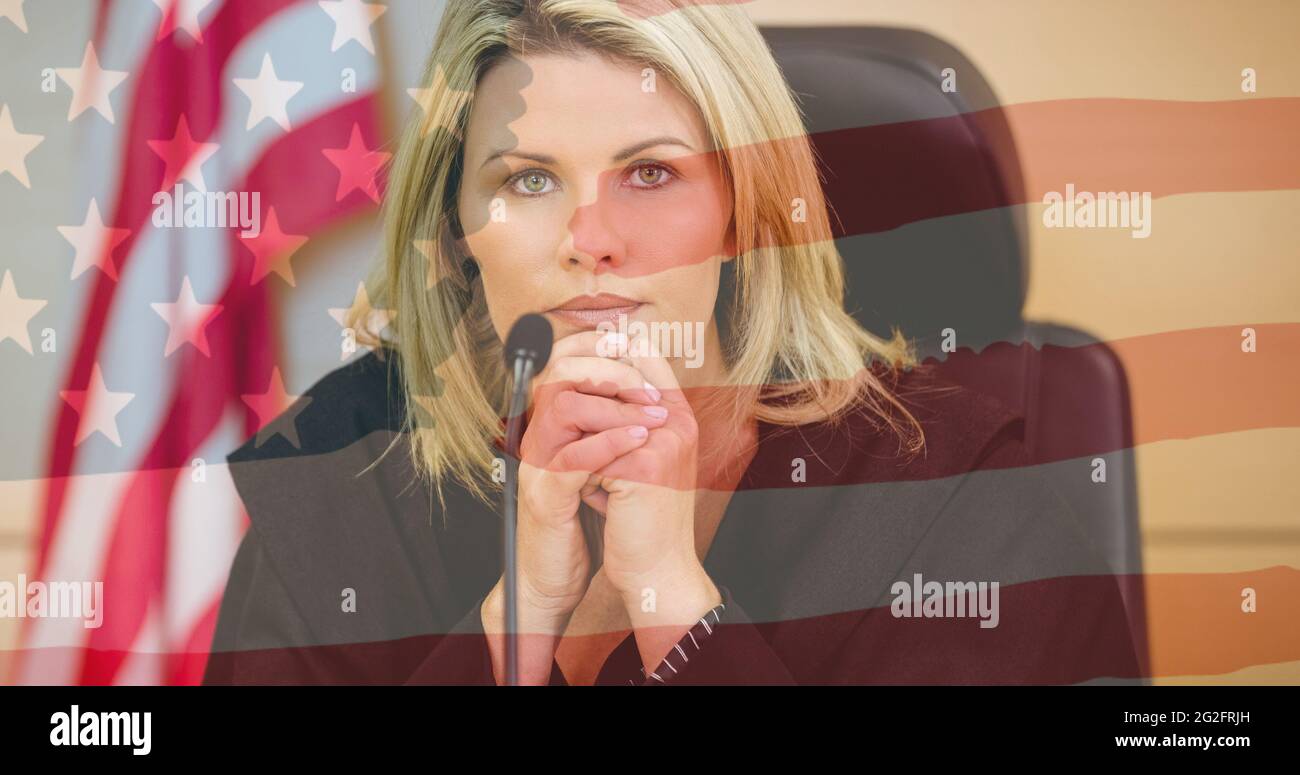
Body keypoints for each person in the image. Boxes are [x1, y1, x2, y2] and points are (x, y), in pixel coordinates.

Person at [203, 0, 1140, 686]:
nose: (591, 236)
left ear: (746, 214)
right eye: (529, 180)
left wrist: (667, 598)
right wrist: (520, 620)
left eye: (650, 172)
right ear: (456, 230)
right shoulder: (347, 469)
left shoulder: (955, 490)